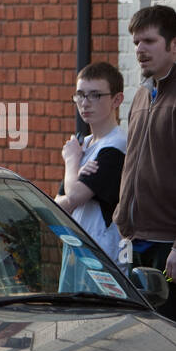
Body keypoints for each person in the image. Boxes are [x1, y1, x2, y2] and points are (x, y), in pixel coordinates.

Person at [116, 4, 176, 319]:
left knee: (168, 331)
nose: (140, 49)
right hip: (134, 241)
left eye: (149, 41)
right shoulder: (140, 95)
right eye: (136, 42)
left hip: (167, 249)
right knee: (139, 330)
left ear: (173, 45)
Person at [54, 62, 127, 291]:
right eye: (80, 95)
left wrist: (71, 163)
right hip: (77, 251)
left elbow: (73, 195)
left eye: (95, 95)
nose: (85, 103)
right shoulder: (83, 144)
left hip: (103, 257)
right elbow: (57, 205)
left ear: (116, 100)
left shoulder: (116, 146)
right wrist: (75, 178)